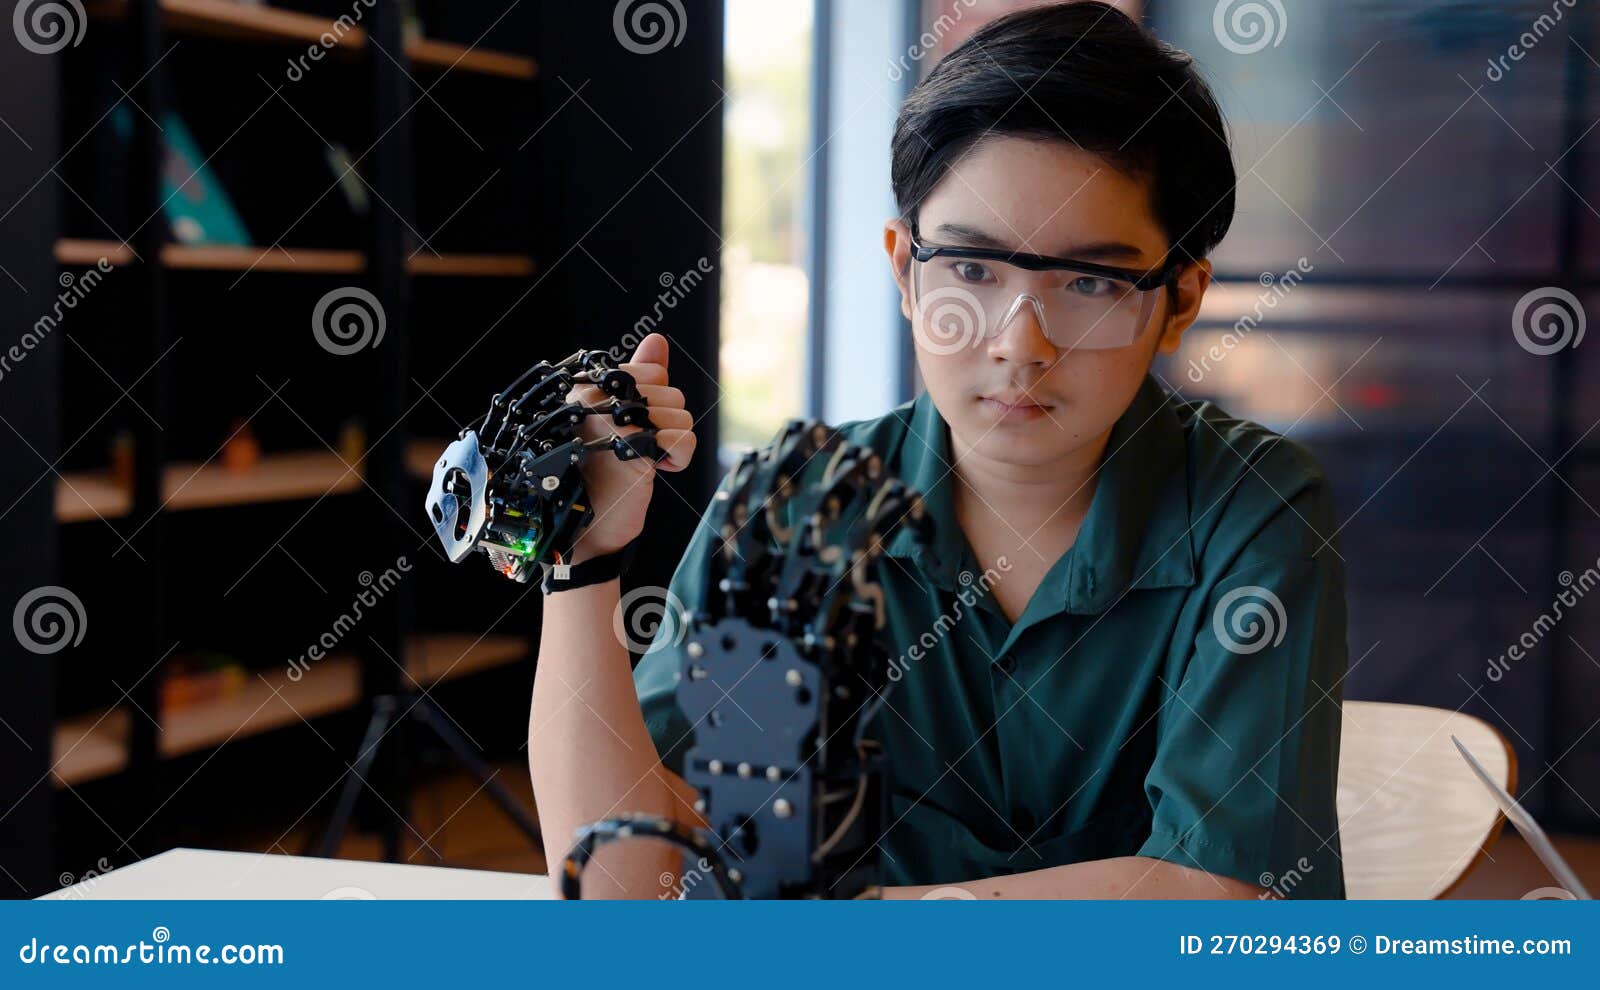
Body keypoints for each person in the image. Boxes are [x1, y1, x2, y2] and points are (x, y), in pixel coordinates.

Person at [529, 0, 1347, 899]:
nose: (1019, 343)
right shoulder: (794, 504)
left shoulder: (1251, 509)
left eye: (1089, 281)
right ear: (903, 270)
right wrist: (582, 558)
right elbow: (624, 886)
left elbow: (1223, 900)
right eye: (971, 268)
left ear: (1180, 301)